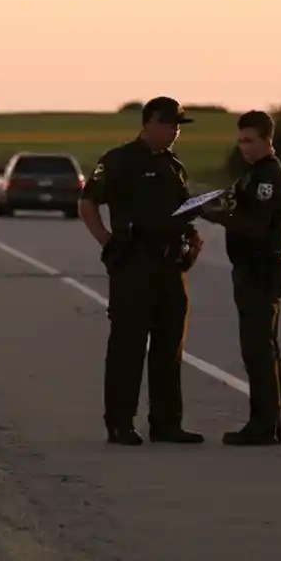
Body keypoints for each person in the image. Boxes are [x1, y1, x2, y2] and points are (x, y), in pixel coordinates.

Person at [77, 97, 205, 446]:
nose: (174, 130)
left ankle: (166, 423)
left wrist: (191, 239)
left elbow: (181, 210)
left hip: (170, 266)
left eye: (178, 125)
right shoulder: (119, 160)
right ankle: (120, 423)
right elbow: (88, 202)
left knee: (169, 346)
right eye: (168, 123)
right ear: (148, 122)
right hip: (134, 265)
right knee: (128, 346)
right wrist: (106, 240)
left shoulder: (174, 164)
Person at [197, 110, 281, 446]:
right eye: (240, 141)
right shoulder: (251, 176)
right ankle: (267, 423)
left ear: (267, 140)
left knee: (258, 349)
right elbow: (234, 201)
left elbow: (256, 226)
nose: (244, 147)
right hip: (251, 267)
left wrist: (220, 217)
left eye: (250, 140)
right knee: (259, 347)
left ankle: (263, 426)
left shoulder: (267, 177)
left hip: (261, 267)